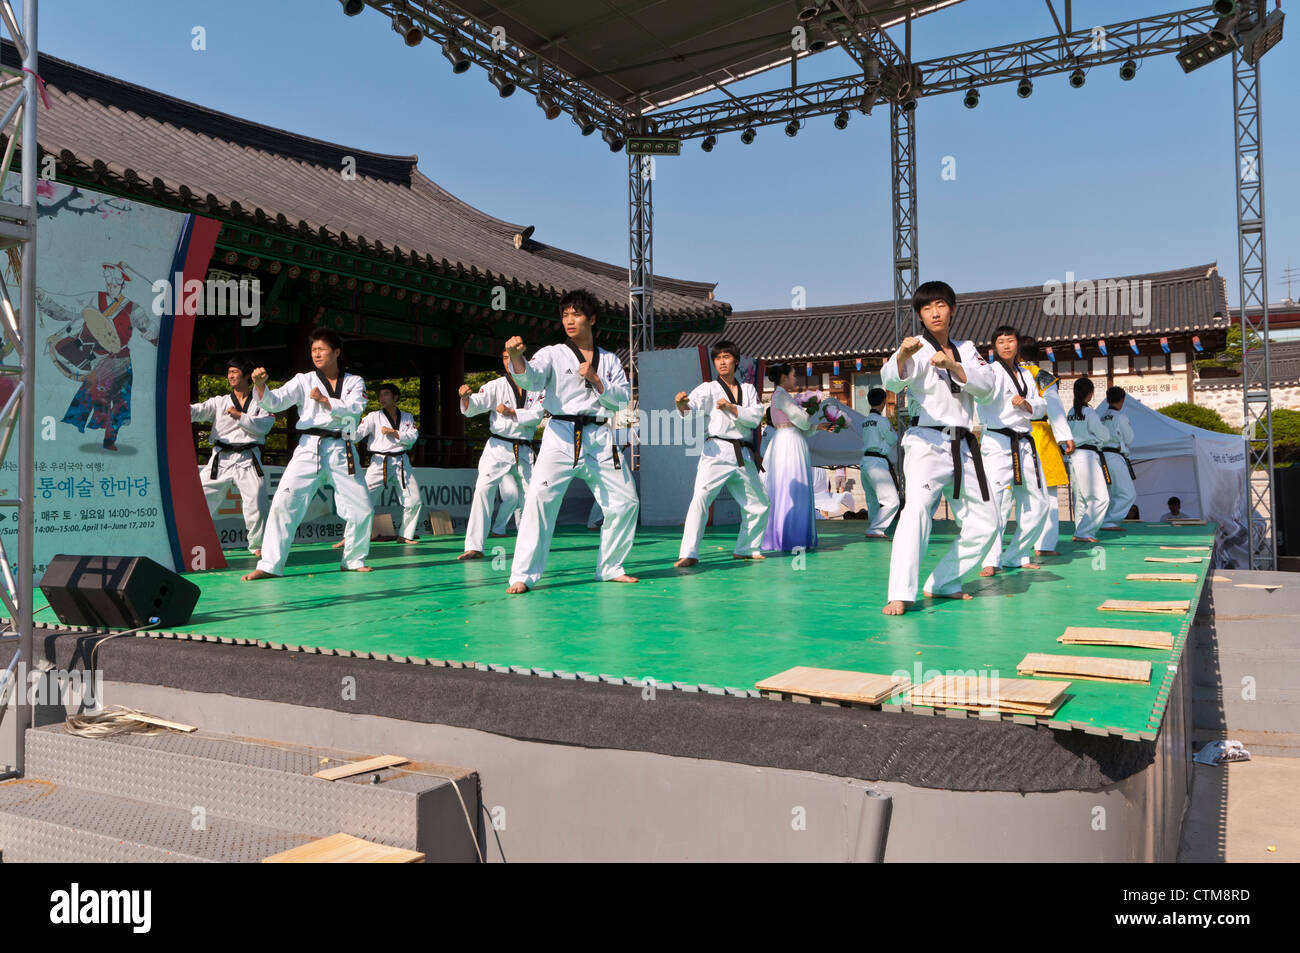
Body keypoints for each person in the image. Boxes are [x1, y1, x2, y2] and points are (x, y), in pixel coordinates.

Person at [503, 289, 639, 593]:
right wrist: (515, 357)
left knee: (626, 501)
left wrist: (595, 378)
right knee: (539, 500)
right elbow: (532, 378)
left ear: (591, 319)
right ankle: (523, 574)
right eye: (565, 315)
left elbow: (621, 400)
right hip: (561, 435)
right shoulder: (553, 353)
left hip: (600, 436)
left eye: (575, 314)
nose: (569, 320)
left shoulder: (609, 360)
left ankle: (611, 566)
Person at [880, 280, 999, 615]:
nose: (934, 313)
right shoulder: (915, 347)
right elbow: (890, 380)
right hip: (927, 444)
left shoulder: (967, 347)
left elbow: (988, 386)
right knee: (916, 510)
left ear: (952, 309)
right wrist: (901, 356)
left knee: (988, 521)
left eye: (940, 305)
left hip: (963, 446)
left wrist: (955, 367)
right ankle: (900, 593)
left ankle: (943, 581)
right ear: (920, 314)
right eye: (926, 308)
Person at [241, 329, 373, 580]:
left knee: (362, 508)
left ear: (336, 352)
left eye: (321, 349)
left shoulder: (355, 382)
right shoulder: (303, 380)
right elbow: (275, 402)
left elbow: (354, 411)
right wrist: (260, 386)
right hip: (308, 447)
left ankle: (353, 559)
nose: (316, 354)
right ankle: (270, 564)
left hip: (342, 448)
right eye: (313, 351)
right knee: (284, 503)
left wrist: (325, 401)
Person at [40, 262, 159, 451]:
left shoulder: (133, 308)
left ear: (122, 285)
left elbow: (151, 331)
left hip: (121, 360)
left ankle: (110, 439)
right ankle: (71, 435)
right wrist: (44, 299)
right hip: (97, 358)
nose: (111, 288)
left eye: (115, 285)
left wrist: (152, 335)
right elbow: (66, 309)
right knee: (90, 394)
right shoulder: (94, 299)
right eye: (109, 284)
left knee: (120, 401)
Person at [673, 340, 768, 567]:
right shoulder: (708, 388)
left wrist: (731, 407)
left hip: (743, 452)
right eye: (718, 358)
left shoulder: (748, 389)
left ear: (735, 360)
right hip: (717, 451)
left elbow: (755, 417)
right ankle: (689, 553)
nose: (722, 362)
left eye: (726, 357)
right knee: (701, 498)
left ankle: (747, 548)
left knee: (759, 502)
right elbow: (690, 409)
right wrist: (681, 404)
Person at [978, 325, 1050, 575]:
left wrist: (1027, 404)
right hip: (997, 443)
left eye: (1010, 341)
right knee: (995, 502)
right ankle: (990, 558)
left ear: (1018, 344)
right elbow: (980, 394)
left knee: (1038, 502)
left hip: (1024, 442)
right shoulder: (989, 372)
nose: (1006, 345)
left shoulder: (1027, 374)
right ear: (994, 347)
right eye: (1001, 341)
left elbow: (1042, 404)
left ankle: (1017, 554)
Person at [459, 352, 545, 560]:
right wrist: (465, 398)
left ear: (524, 360)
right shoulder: (495, 385)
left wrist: (512, 412)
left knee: (533, 496)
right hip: (498, 447)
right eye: (505, 357)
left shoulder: (537, 385)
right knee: (482, 492)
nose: (509, 361)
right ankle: (474, 546)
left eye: (513, 357)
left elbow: (538, 415)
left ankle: (531, 543)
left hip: (524, 449)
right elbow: (474, 407)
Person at [191, 357, 274, 557]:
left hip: (248, 458)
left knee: (258, 504)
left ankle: (257, 546)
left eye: (235, 372)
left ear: (247, 376)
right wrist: (176, 407)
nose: (230, 376)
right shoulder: (219, 402)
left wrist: (240, 416)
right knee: (199, 500)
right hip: (221, 459)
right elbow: (197, 411)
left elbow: (264, 426)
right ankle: (193, 540)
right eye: (229, 373)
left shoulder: (262, 402)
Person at [761, 364, 832, 552]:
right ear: (784, 377)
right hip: (789, 443)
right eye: (793, 375)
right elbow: (802, 420)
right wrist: (810, 408)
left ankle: (787, 534)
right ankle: (792, 536)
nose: (796, 379)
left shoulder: (781, 396)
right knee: (793, 486)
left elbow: (802, 425)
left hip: (788, 439)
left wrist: (817, 426)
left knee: (787, 487)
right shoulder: (783, 396)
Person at [357, 383, 422, 544]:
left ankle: (405, 535)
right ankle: (350, 537)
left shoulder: (407, 417)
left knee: (414, 500)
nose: (381, 398)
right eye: (380, 395)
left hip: (402, 462)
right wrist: (346, 425)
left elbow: (413, 438)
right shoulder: (373, 416)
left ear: (395, 397)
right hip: (379, 462)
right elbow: (357, 434)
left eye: (386, 394)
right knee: (363, 500)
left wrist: (394, 432)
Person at [1064, 377, 1112, 544]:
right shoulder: (1090, 413)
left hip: (1073, 456)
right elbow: (1104, 435)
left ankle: (1080, 530)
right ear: (1090, 393)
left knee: (1082, 499)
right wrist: (1100, 437)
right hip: (1087, 456)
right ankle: (1083, 532)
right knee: (1101, 498)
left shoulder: (1071, 412)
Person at [859, 386, 900, 539]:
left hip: (865, 462)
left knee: (872, 500)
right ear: (884, 401)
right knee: (892, 501)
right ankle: (875, 528)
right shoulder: (881, 420)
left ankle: (873, 527)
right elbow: (893, 438)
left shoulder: (865, 421)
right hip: (877, 462)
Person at [1099, 386, 1137, 532]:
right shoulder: (1120, 417)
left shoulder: (1101, 416)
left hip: (1102, 456)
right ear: (1122, 400)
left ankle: (1105, 520)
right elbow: (1129, 438)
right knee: (1128, 493)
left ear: (1108, 399)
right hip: (1114, 456)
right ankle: (1110, 521)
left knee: (1110, 491)